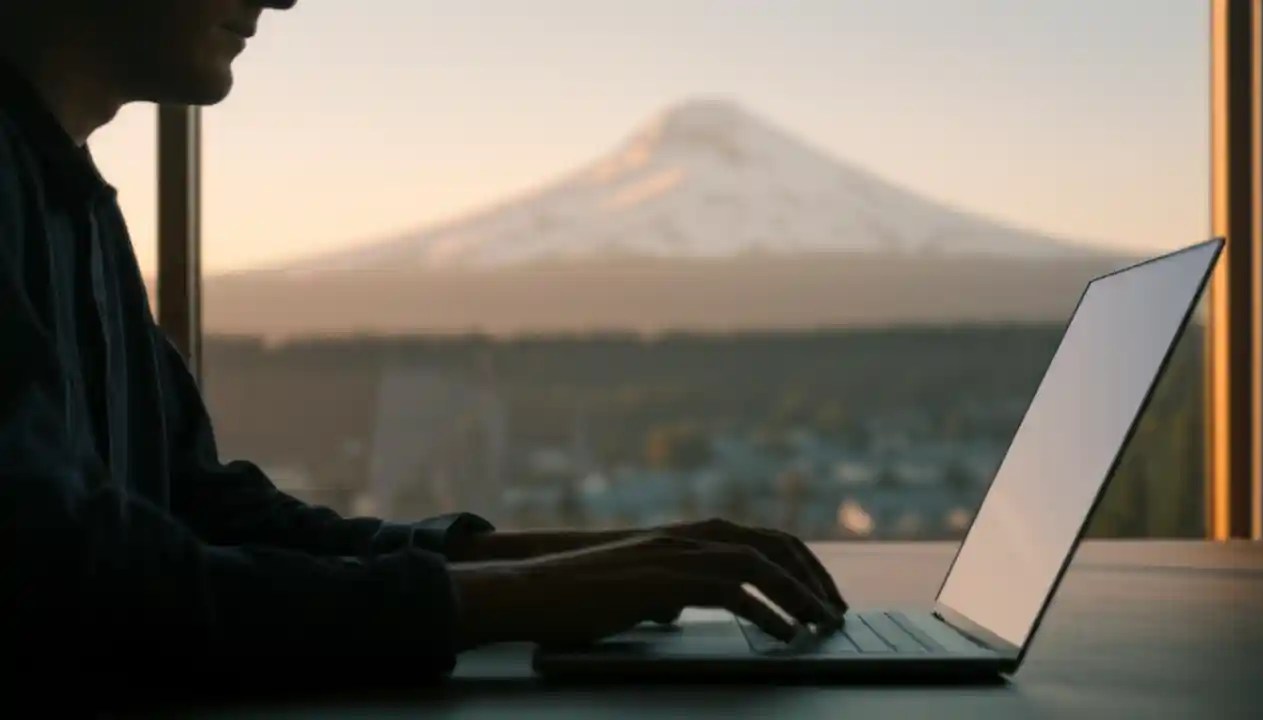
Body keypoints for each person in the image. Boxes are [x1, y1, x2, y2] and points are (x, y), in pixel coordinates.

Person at [0, 0, 846, 692]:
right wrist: (521, 595)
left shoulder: (71, 201)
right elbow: (74, 578)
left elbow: (198, 512)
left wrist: (584, 562)